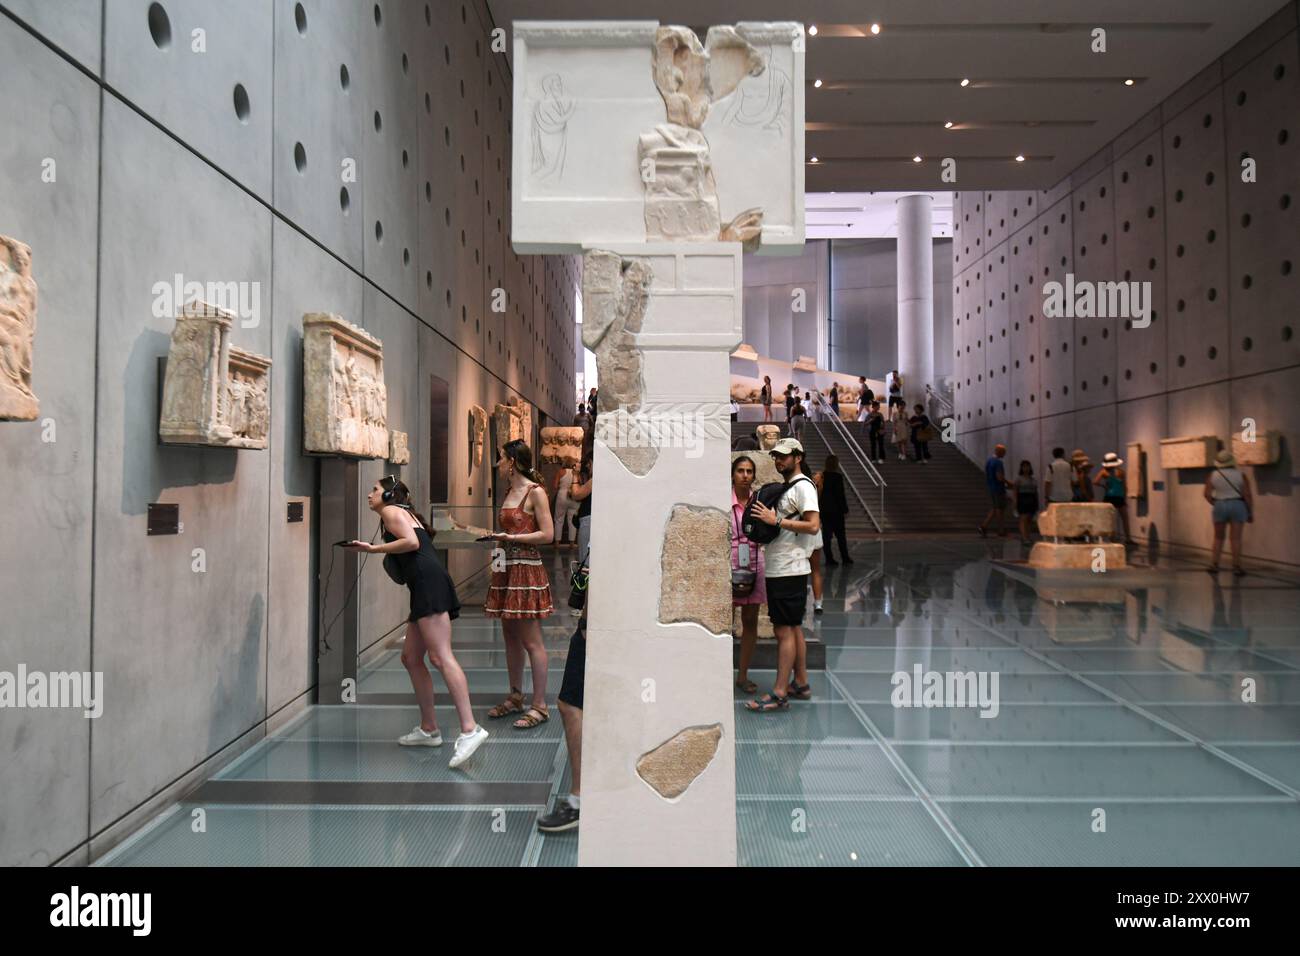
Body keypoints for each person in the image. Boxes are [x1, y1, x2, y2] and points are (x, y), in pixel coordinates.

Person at [347, 476, 487, 767]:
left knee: (441, 656)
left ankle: (471, 729)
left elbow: (410, 543)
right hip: (425, 583)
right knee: (411, 658)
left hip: (428, 584)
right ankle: (429, 728)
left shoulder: (390, 512)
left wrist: (373, 550)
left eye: (374, 490)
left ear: (389, 494)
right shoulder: (401, 512)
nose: (369, 494)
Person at [484, 439, 555, 730]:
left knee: (531, 640)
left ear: (512, 461)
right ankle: (516, 696)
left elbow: (547, 535)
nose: (498, 463)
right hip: (507, 568)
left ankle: (540, 705)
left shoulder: (535, 492)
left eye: (500, 458)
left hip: (526, 570)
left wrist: (512, 539)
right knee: (510, 636)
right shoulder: (509, 490)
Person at [745, 438, 820, 712]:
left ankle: (779, 692)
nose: (779, 461)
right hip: (783, 567)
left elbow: (813, 526)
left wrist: (775, 520)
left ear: (798, 457)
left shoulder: (803, 487)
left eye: (785, 456)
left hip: (790, 568)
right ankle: (800, 682)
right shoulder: (791, 487)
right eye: (776, 456)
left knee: (783, 630)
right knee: (794, 626)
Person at [536, 595, 587, 833]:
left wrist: (588, 623)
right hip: (600, 620)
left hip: (598, 623)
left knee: (570, 704)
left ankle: (579, 802)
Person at [730, 456, 767, 694]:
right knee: (724, 621)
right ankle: (720, 674)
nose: (745, 475)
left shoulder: (759, 501)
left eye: (749, 471)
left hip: (755, 560)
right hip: (729, 562)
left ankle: (743, 675)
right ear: (733, 474)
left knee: (751, 620)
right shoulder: (723, 500)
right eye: (741, 470)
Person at [1204, 448, 1253, 576]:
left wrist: (1216, 503)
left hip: (1220, 504)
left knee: (1218, 537)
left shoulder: (1212, 475)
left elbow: (1207, 494)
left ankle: (1214, 564)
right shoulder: (1241, 475)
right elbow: (1247, 495)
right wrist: (1250, 512)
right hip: (1237, 504)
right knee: (1236, 538)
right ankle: (1236, 566)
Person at [818, 454, 852, 565]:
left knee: (826, 535)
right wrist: (845, 509)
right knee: (841, 535)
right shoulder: (837, 477)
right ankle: (845, 557)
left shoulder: (822, 476)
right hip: (836, 510)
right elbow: (840, 495)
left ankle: (829, 558)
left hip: (824, 509)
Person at [1093, 452, 1130, 543]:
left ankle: (1112, 538)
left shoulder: (1104, 472)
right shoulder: (1121, 472)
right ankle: (1128, 538)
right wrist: (1124, 498)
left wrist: (1104, 486)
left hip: (1109, 496)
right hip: (1119, 497)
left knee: (1110, 519)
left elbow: (1095, 481)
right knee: (1124, 518)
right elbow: (1125, 486)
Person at [978, 443, 1013, 537]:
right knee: (999, 509)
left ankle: (984, 526)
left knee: (994, 508)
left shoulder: (989, 461)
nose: (1004, 454)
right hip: (998, 489)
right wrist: (1009, 484)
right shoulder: (998, 462)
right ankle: (1001, 530)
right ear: (999, 451)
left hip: (991, 488)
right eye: (1003, 452)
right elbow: (999, 477)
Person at [553, 462, 579, 548]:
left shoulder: (561, 472)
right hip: (573, 496)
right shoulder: (576, 473)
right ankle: (572, 543)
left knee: (559, 519)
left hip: (562, 496)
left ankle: (557, 543)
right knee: (572, 520)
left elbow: (555, 486)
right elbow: (580, 484)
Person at [1015, 460, 1039, 545]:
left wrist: (1037, 503)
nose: (1026, 468)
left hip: (1032, 500)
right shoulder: (1018, 479)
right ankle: (1024, 537)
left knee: (1029, 520)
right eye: (1024, 466)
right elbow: (1015, 492)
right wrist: (1015, 503)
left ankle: (1027, 536)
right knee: (1023, 519)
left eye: (1027, 466)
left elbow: (1036, 492)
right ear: (1021, 468)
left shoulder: (1033, 479)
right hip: (1022, 499)